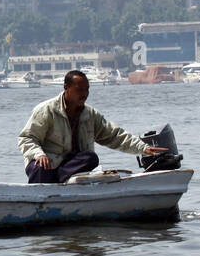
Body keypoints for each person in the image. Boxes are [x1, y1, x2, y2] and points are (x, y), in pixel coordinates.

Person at [18, 69, 169, 183]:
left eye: (87, 90)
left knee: (90, 158)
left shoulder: (90, 114)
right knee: (40, 167)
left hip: (70, 168)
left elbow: (115, 135)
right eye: (79, 90)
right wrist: (39, 154)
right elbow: (27, 138)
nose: (84, 94)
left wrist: (144, 148)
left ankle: (59, 183)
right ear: (66, 88)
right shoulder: (47, 110)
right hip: (47, 163)